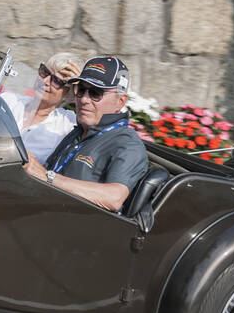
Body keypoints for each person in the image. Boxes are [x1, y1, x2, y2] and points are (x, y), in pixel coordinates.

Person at [26, 55, 148, 213]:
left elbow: (114, 198)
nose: (84, 99)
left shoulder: (126, 143)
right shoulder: (79, 131)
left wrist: (47, 177)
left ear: (120, 101)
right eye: (81, 90)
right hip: (43, 210)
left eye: (95, 93)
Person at [2, 52, 81, 165]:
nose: (45, 81)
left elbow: (96, 127)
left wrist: (81, 90)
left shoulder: (67, 123)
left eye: (57, 81)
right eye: (45, 72)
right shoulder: (9, 101)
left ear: (68, 92)